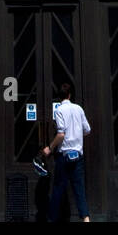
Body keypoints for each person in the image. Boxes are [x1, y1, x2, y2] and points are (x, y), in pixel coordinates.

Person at [41, 82, 91, 223]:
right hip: (78, 155)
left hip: (64, 156)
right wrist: (77, 136)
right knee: (79, 189)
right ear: (70, 95)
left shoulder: (59, 110)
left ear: (59, 97)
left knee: (58, 189)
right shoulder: (78, 109)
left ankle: (52, 219)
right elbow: (87, 130)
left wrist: (49, 148)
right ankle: (86, 219)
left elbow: (61, 134)